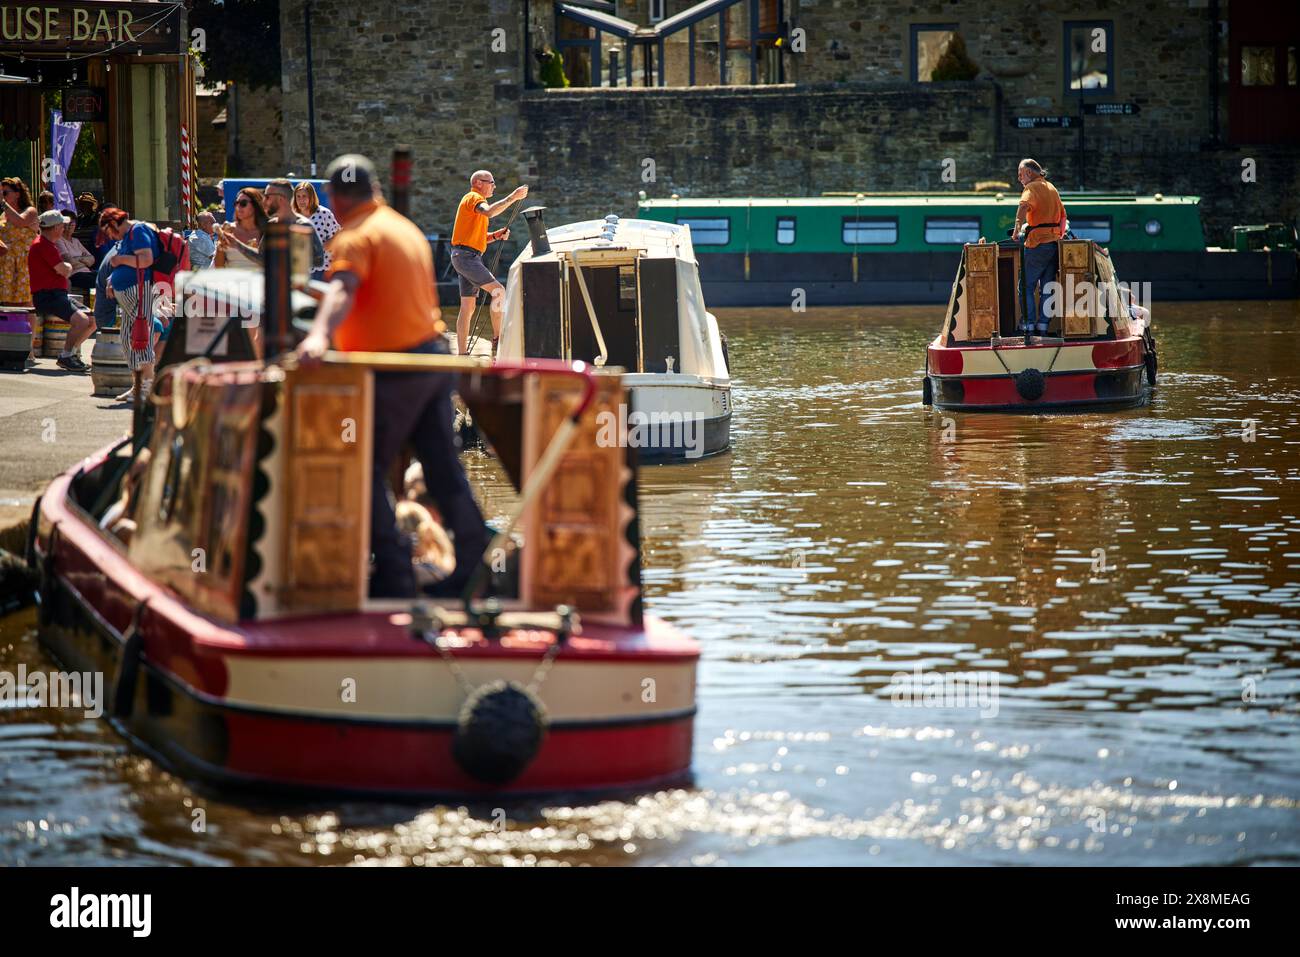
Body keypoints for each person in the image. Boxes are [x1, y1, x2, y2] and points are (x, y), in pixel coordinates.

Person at [296, 153, 489, 599]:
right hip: (431, 361)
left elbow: (344, 290)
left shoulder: (354, 235)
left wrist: (318, 337)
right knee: (443, 468)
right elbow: (381, 293)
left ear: (334, 199)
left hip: (397, 368)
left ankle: (394, 573)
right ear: (375, 190)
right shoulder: (403, 228)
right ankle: (477, 567)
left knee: (361, 469)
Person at [449, 169, 528, 356]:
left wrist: (495, 235)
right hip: (466, 258)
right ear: (478, 183)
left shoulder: (473, 203)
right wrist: (513, 197)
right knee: (499, 292)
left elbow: (476, 238)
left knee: (467, 307)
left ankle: (461, 354)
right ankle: (497, 340)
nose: (494, 185)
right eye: (491, 182)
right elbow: (490, 212)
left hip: (465, 256)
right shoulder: (473, 198)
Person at [99, 206, 159, 400]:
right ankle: (137, 385)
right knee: (127, 340)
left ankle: (147, 386)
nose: (110, 237)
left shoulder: (138, 230)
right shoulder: (128, 235)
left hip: (139, 290)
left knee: (141, 339)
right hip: (129, 292)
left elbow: (146, 259)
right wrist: (112, 280)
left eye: (109, 231)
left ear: (114, 223)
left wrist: (119, 260)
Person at [29, 209, 95, 371]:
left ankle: (70, 353)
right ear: (53, 228)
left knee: (93, 320)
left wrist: (67, 267)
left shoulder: (49, 245)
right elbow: (64, 270)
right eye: (61, 225)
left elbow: (65, 269)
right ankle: (66, 356)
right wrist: (68, 266)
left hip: (57, 294)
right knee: (82, 321)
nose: (64, 228)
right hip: (48, 295)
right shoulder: (43, 245)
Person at [1013, 158, 1066, 337]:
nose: (1019, 179)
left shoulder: (1031, 188)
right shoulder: (1052, 188)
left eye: (1021, 174)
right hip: (1053, 244)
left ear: (1029, 173)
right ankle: (1043, 325)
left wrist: (1017, 228)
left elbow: (1023, 206)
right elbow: (1063, 216)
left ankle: (1028, 325)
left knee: (1026, 286)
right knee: (1047, 287)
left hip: (1037, 243)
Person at [258, 178, 325, 277]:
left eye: (267, 197)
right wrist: (236, 244)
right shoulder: (272, 225)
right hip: (273, 286)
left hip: (297, 288)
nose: (264, 201)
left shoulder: (302, 225)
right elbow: (261, 257)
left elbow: (319, 260)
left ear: (281, 199)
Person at [0, 177, 39, 307]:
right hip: (5, 264)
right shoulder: (3, 215)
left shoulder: (30, 211)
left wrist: (2, 202)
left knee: (25, 303)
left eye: (5, 192)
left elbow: (20, 222)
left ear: (17, 194)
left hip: (23, 264)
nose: (3, 196)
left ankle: (30, 328)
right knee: (6, 303)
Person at [293, 181, 341, 274]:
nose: (301, 200)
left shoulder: (324, 213)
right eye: (298, 197)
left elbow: (337, 236)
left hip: (322, 268)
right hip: (300, 269)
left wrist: (319, 248)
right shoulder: (293, 216)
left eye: (304, 196)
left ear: (311, 197)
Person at [214, 187, 267, 269]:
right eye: (236, 203)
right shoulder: (228, 229)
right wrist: (220, 245)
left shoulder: (266, 231)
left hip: (258, 280)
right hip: (232, 280)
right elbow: (219, 266)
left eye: (243, 203)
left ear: (256, 204)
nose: (238, 207)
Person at [55, 211, 96, 293]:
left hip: (87, 272)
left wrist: (77, 259)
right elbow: (69, 261)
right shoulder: (59, 240)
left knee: (106, 276)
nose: (70, 225)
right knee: (99, 281)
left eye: (72, 222)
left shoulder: (76, 241)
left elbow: (92, 259)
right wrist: (84, 260)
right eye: (67, 222)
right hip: (75, 275)